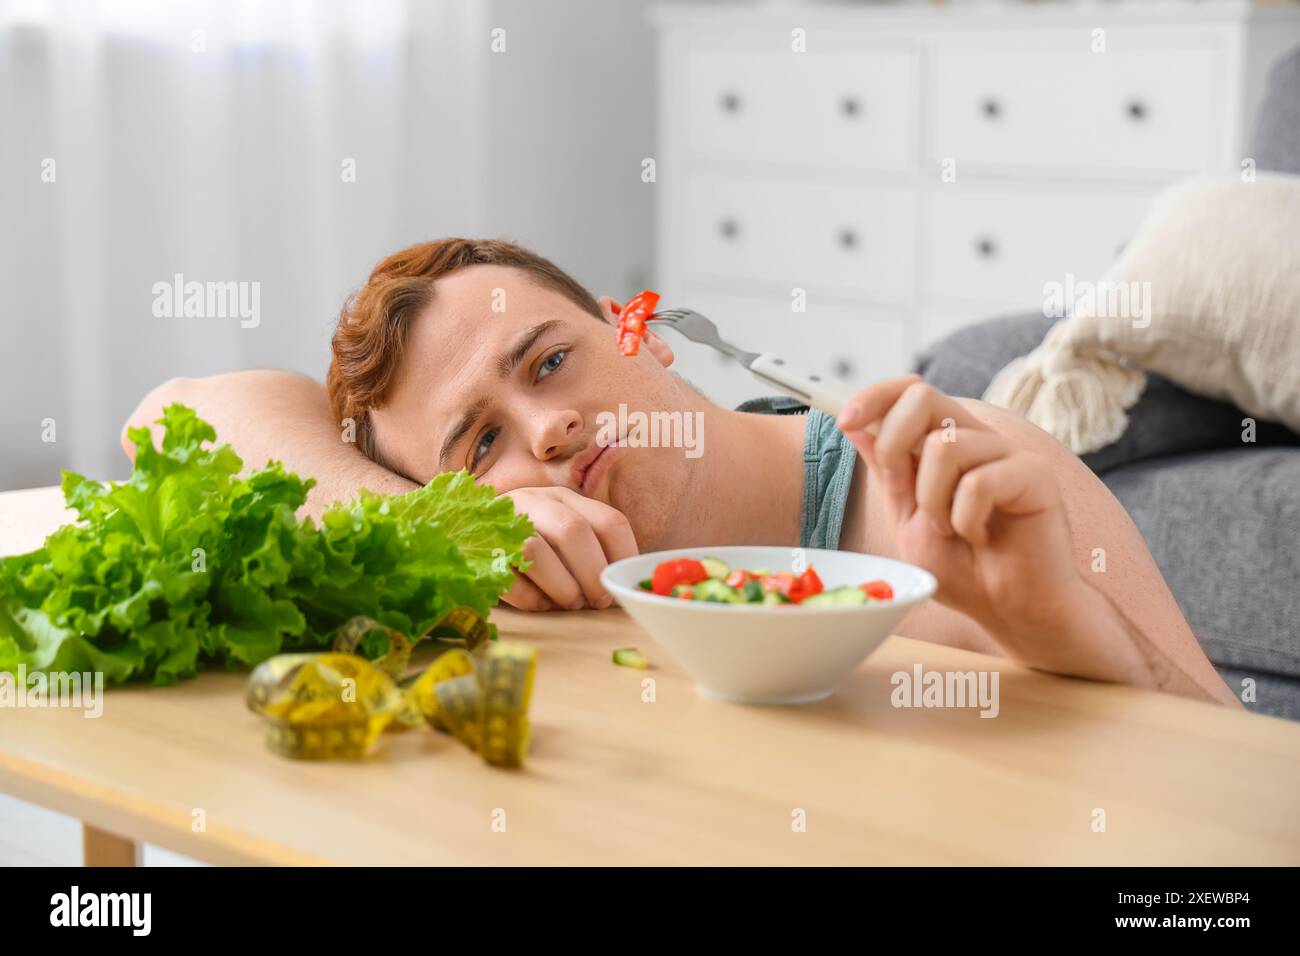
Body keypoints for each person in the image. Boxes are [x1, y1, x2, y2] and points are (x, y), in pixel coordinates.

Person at [123, 238, 1239, 706]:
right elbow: (170, 415)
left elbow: (1240, 820)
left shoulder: (951, 479)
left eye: (550, 362)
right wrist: (438, 528)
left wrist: (1065, 633)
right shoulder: (531, 564)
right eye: (480, 445)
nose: (546, 433)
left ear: (642, 329)